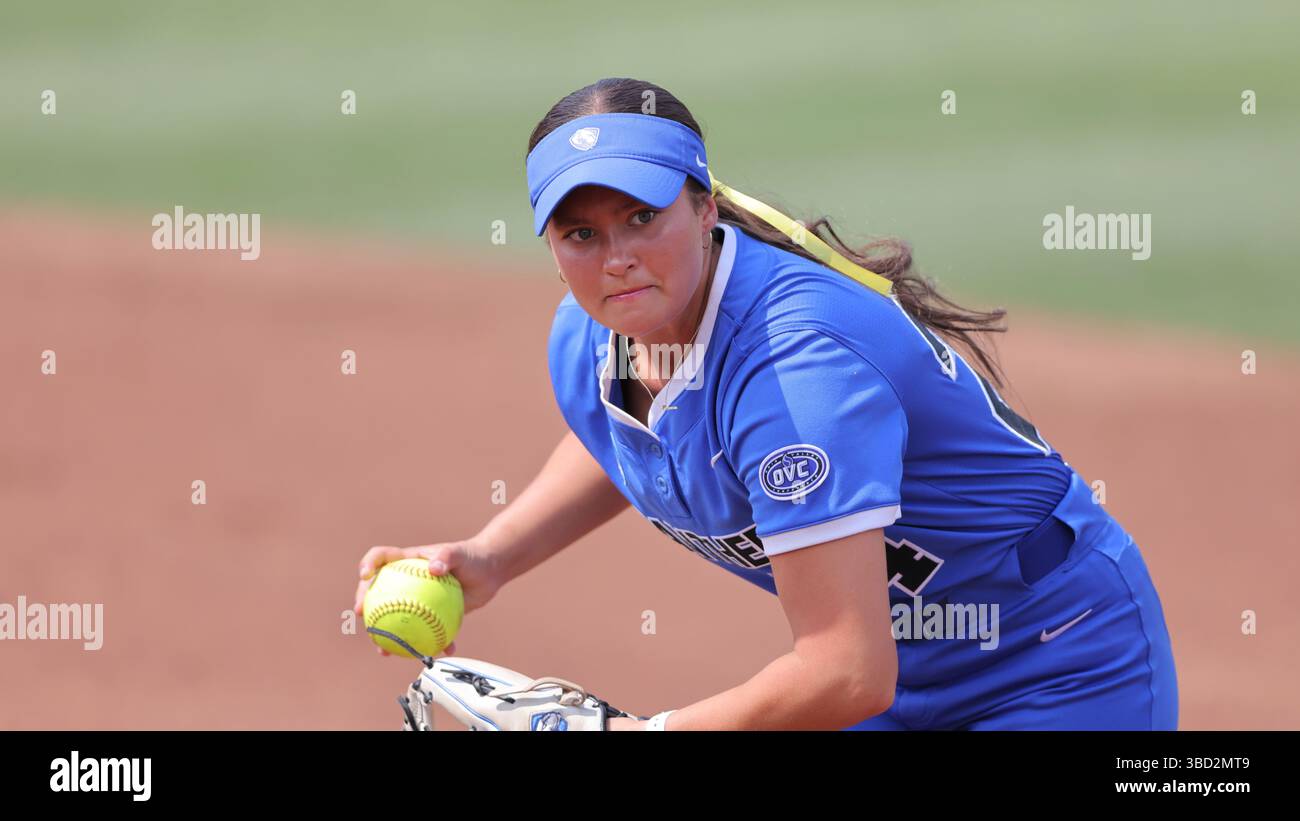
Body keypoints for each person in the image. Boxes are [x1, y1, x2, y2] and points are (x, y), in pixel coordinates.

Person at [354, 77, 1178, 731]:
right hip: (897, 671)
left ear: (705, 207)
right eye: (582, 235)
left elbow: (846, 670)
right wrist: (490, 556)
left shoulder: (798, 371)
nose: (618, 259)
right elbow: (634, 440)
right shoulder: (588, 342)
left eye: (644, 217)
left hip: (1055, 660)